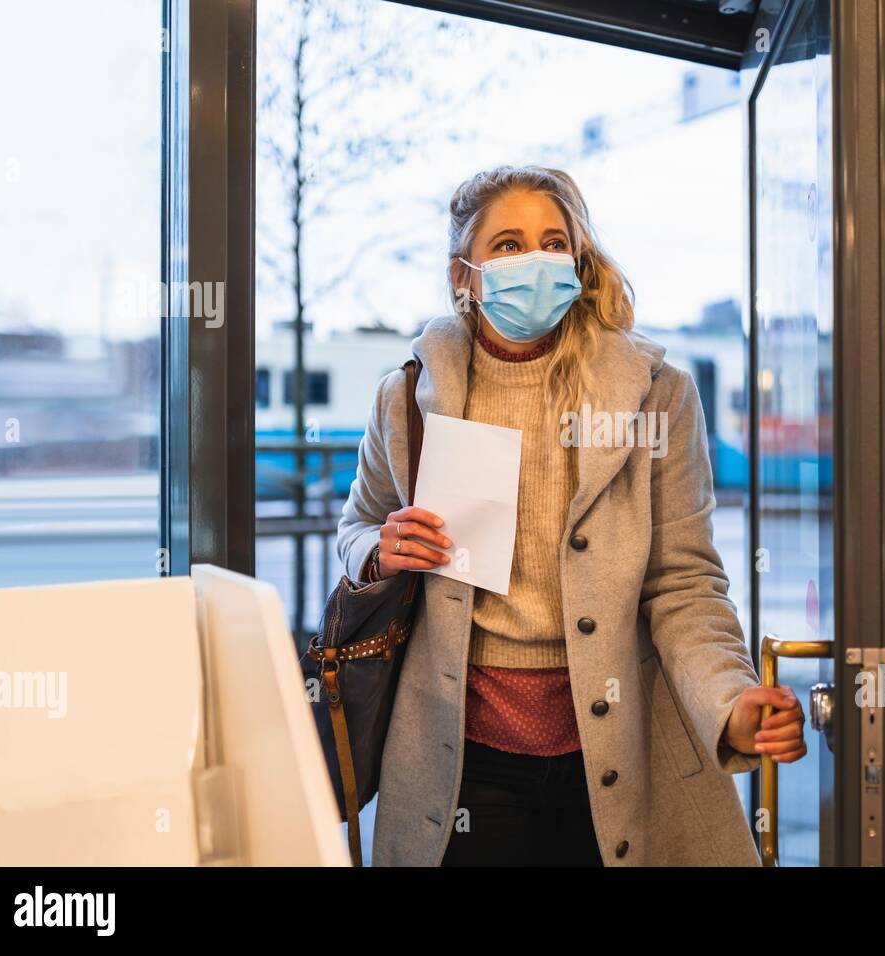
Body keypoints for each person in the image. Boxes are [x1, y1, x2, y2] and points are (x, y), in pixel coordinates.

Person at [337, 164, 807, 867]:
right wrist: (381, 549)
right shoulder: (407, 398)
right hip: (462, 760)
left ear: (579, 260)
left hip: (614, 752)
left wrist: (731, 697)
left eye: (554, 242)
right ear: (463, 274)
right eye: (508, 245)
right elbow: (356, 530)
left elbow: (683, 585)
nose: (535, 260)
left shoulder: (656, 396)